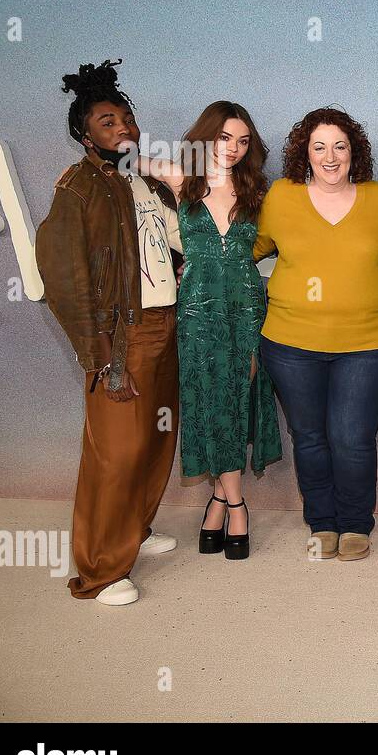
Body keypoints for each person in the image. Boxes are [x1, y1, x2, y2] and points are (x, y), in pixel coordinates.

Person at [35, 60, 181, 605]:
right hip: (125, 337)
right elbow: (64, 279)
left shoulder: (144, 182)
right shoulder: (77, 189)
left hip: (165, 324)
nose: (121, 128)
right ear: (83, 133)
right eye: (106, 121)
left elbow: (170, 249)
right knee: (116, 451)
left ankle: (135, 530)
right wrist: (102, 356)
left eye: (126, 118)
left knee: (155, 439)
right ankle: (99, 570)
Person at [254, 108, 378, 562]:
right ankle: (321, 522)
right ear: (304, 152)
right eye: (319, 146)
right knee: (309, 437)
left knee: (352, 438)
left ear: (354, 151)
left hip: (367, 346)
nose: (330, 156)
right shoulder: (281, 197)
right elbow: (251, 246)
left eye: (340, 146)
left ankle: (356, 524)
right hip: (289, 344)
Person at [143, 102, 282, 560]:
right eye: (225, 138)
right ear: (206, 138)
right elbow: (121, 158)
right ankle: (236, 503)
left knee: (238, 399)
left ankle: (219, 501)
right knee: (209, 401)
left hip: (246, 308)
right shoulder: (182, 179)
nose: (234, 149)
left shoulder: (257, 190)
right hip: (198, 310)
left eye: (243, 141)